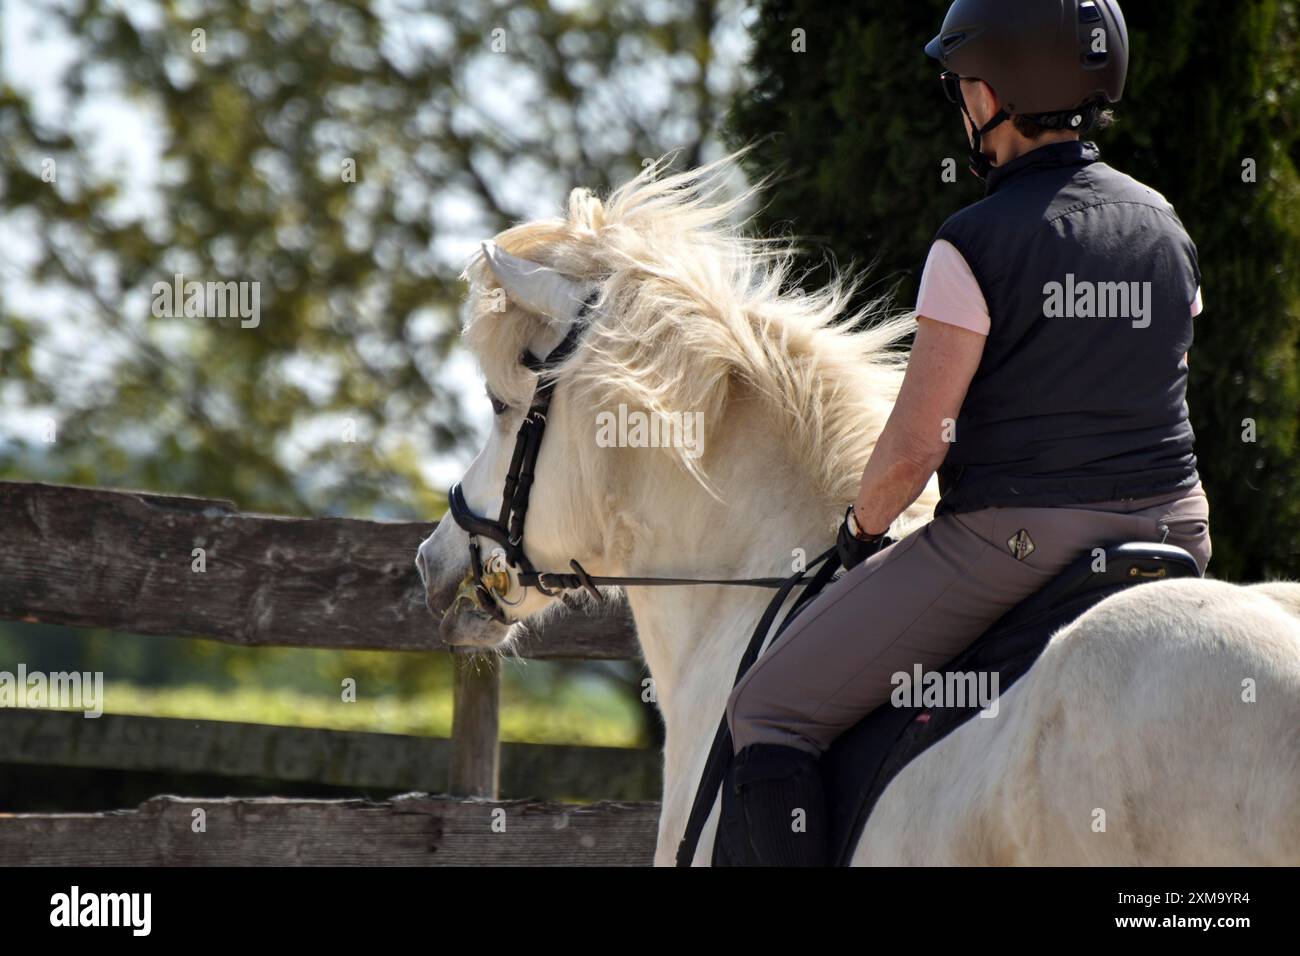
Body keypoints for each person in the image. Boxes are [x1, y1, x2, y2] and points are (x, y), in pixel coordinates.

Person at [723, 0, 1211, 866]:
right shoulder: (1167, 229)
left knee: (769, 710)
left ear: (995, 92)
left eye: (963, 85)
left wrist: (860, 532)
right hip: (1176, 532)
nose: (961, 101)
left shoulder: (973, 242)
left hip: (1016, 543)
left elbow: (916, 448)